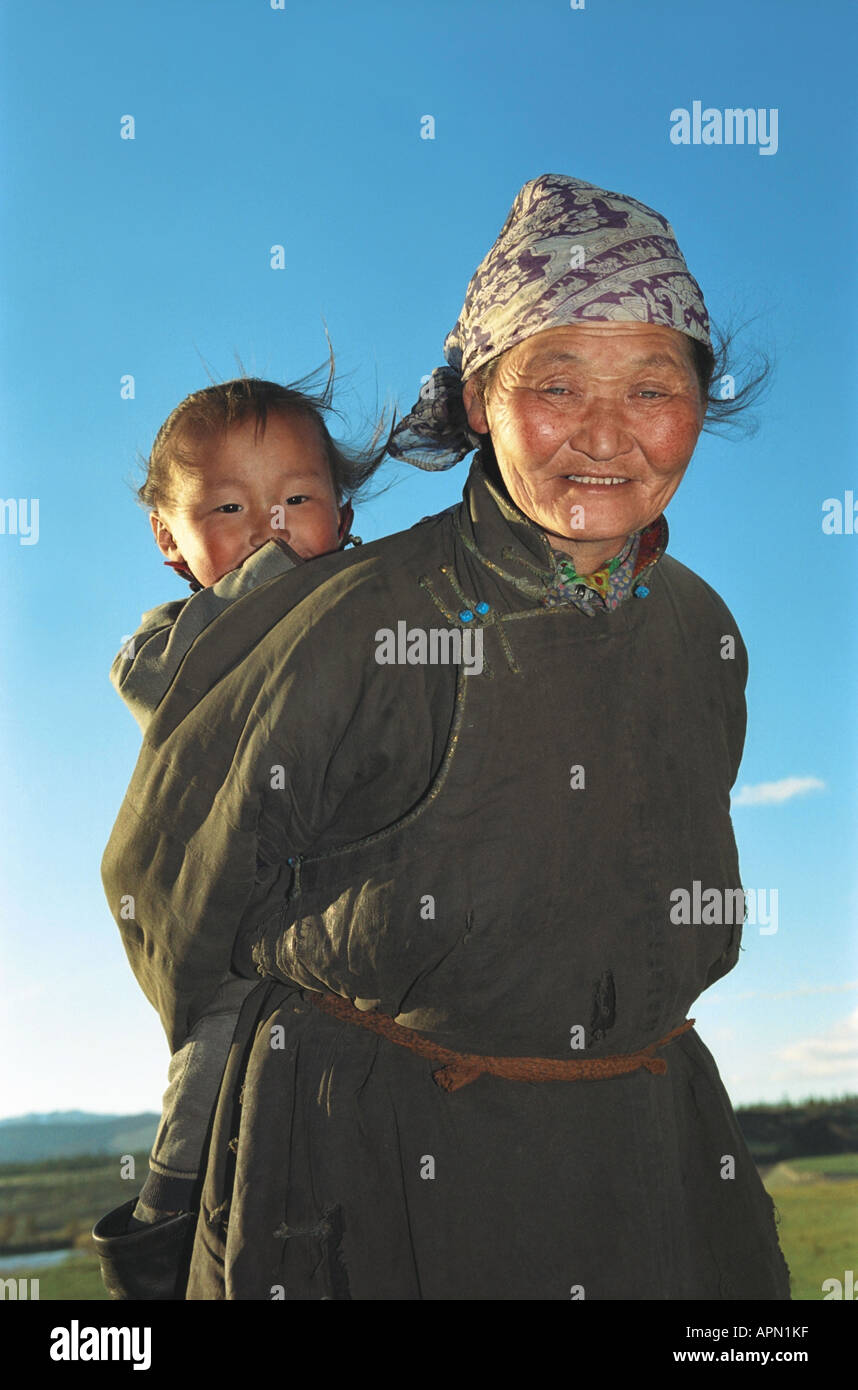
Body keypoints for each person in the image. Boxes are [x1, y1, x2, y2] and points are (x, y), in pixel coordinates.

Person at [100, 174, 791, 1300]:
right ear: (479, 398)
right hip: (373, 1179)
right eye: (555, 383)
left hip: (653, 1159)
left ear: (699, 401)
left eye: (653, 385)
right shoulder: (355, 615)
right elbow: (170, 892)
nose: (607, 432)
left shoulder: (703, 628)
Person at [93, 371, 382, 1299]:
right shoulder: (167, 644)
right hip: (233, 926)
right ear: (166, 538)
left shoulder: (366, 610)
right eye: (228, 506)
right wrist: (293, 562)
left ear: (342, 512)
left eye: (298, 497)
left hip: (352, 920)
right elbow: (199, 676)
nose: (269, 525)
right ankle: (163, 1235)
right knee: (217, 1046)